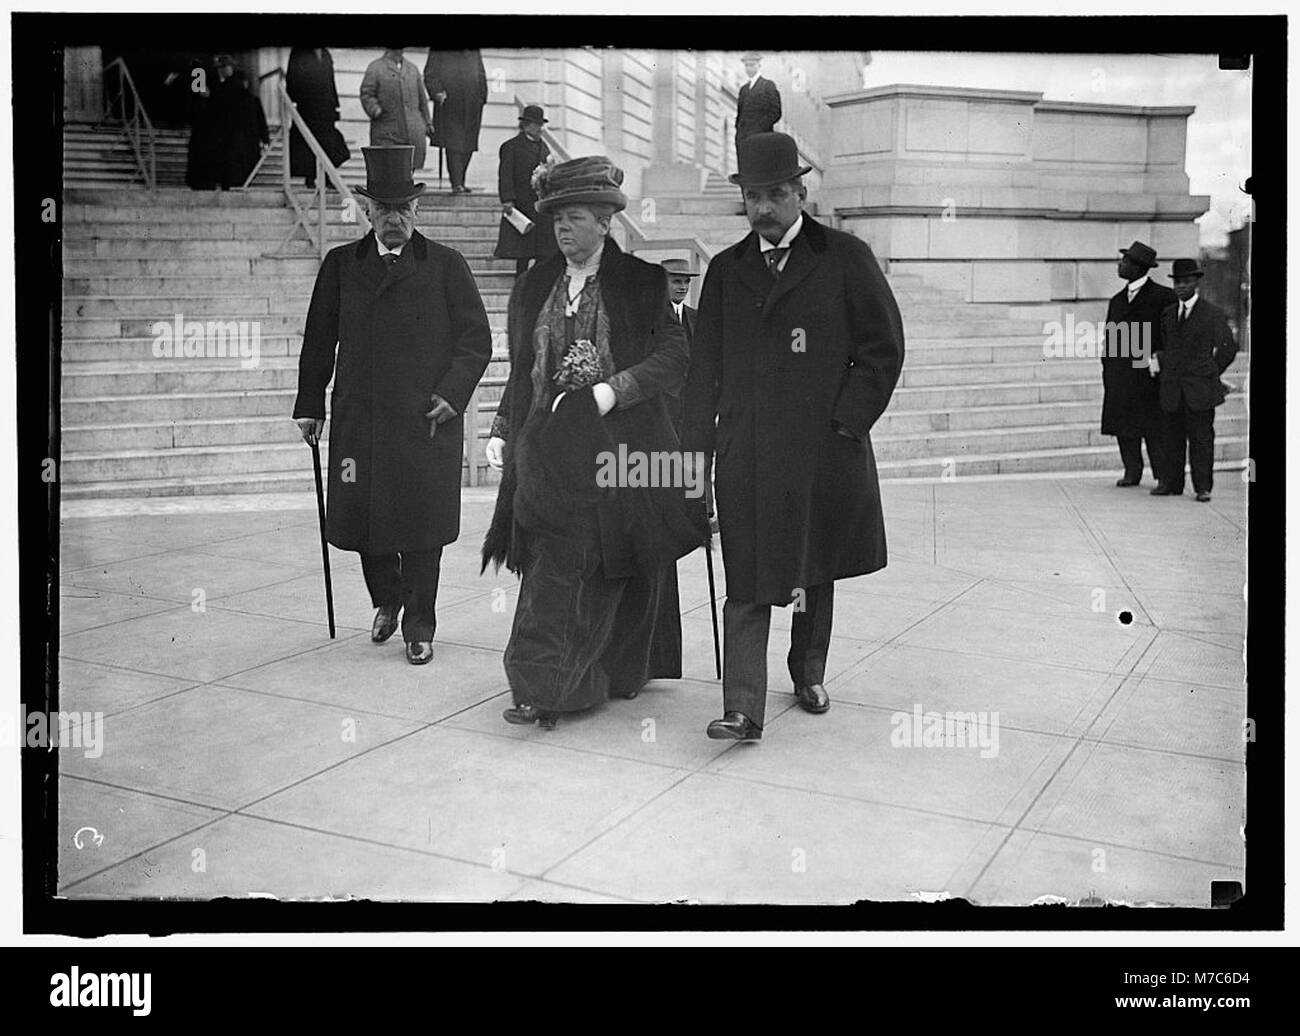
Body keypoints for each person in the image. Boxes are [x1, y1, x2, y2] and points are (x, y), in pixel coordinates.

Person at [682, 132, 905, 741]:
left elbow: (881, 352)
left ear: (800, 193)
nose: (763, 208)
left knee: (812, 569)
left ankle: (808, 672)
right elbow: (703, 372)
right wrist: (694, 461)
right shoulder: (727, 271)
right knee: (747, 578)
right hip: (747, 453)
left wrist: (844, 424)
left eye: (775, 194)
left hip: (821, 450)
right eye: (753, 196)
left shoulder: (845, 257)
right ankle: (742, 708)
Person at [481, 156, 706, 730]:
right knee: (558, 563)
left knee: (612, 563)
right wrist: (502, 429)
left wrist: (609, 392)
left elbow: (675, 357)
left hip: (619, 453)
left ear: (606, 221)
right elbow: (521, 368)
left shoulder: (639, 283)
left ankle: (603, 672)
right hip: (546, 453)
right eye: (556, 218)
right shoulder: (534, 286)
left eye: (576, 218)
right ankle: (544, 682)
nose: (562, 229)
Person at [293, 146, 493, 663]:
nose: (395, 219)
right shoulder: (341, 266)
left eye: (404, 209)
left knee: (423, 530)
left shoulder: (445, 265)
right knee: (366, 523)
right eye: (385, 211)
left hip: (426, 421)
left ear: (418, 211)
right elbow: (319, 340)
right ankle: (388, 599)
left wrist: (452, 395)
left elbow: (476, 340)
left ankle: (420, 625)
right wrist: (309, 403)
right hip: (362, 422)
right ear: (367, 212)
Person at [1150, 258, 1239, 503]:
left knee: (1201, 439)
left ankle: (1203, 487)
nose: (1180, 287)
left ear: (1196, 283)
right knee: (1171, 438)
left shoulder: (1212, 314)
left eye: (1186, 282)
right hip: (1172, 389)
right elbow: (1165, 346)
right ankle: (1171, 483)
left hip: (1200, 389)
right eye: (1177, 282)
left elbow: (1228, 348)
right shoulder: (1168, 314)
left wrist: (1211, 372)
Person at [1102, 241, 1177, 487]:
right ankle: (1132, 471)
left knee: (1155, 429)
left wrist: (1159, 361)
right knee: (1124, 427)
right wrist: (1109, 368)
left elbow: (1171, 337)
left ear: (1137, 267)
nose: (1120, 264)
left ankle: (1163, 477)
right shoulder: (1117, 300)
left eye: (1125, 261)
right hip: (1121, 375)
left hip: (1149, 375)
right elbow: (1111, 339)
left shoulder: (1164, 297)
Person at [494, 104, 558, 276]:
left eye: (540, 125)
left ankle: (535, 279)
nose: (540, 129)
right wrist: (507, 199)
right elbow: (505, 174)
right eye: (537, 125)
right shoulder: (511, 146)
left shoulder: (544, 148)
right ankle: (521, 279)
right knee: (522, 251)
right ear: (527, 125)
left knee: (544, 249)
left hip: (541, 205)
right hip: (521, 204)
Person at [359, 47, 434, 172]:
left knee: (409, 168)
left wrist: (427, 122)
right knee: (388, 170)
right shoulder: (375, 68)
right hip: (387, 130)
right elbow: (366, 94)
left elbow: (422, 100)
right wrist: (374, 109)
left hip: (412, 131)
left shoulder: (412, 69)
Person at [424, 49, 488, 193]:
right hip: (450, 105)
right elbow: (430, 75)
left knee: (469, 145)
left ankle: (461, 181)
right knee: (453, 144)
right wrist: (437, 92)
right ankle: (457, 183)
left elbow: (481, 74)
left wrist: (482, 98)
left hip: (472, 106)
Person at [286, 47, 350, 189]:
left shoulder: (325, 53)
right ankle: (310, 178)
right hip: (308, 107)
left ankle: (326, 177)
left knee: (328, 144)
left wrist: (335, 104)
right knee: (309, 143)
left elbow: (330, 81)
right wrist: (298, 98)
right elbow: (292, 79)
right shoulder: (299, 52)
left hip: (325, 108)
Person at [660, 257, 700, 433]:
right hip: (661, 402)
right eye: (676, 281)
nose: (683, 287)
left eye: (686, 282)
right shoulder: (649, 316)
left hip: (689, 402)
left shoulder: (695, 316)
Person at [734, 52, 781, 166]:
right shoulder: (743, 89)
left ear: (759, 65)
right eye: (747, 65)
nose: (749, 68)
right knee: (745, 169)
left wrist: (758, 128)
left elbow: (776, 112)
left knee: (759, 167)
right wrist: (739, 130)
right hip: (743, 138)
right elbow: (740, 113)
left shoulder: (767, 85)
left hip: (761, 136)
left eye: (752, 65)